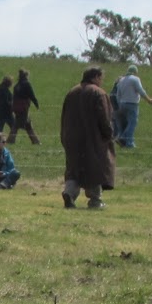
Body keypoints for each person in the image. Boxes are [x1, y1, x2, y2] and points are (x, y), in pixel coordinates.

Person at [60, 66, 116, 209]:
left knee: (74, 168)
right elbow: (104, 118)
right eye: (101, 78)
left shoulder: (72, 92)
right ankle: (95, 200)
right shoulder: (98, 93)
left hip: (71, 138)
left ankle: (69, 193)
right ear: (96, 77)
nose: (102, 81)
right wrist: (108, 134)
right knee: (94, 168)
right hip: (92, 139)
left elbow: (64, 116)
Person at [112, 64, 152, 148]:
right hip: (132, 104)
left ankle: (125, 142)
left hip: (122, 104)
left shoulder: (121, 80)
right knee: (132, 123)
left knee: (126, 123)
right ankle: (127, 141)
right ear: (135, 72)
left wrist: (120, 104)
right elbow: (141, 91)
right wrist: (149, 100)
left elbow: (118, 95)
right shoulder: (135, 79)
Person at [9, 69, 40, 144]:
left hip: (17, 108)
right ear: (26, 76)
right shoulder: (27, 84)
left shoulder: (16, 86)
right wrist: (36, 104)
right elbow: (31, 95)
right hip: (24, 108)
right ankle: (10, 140)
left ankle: (36, 141)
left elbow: (14, 97)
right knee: (16, 125)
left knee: (28, 125)